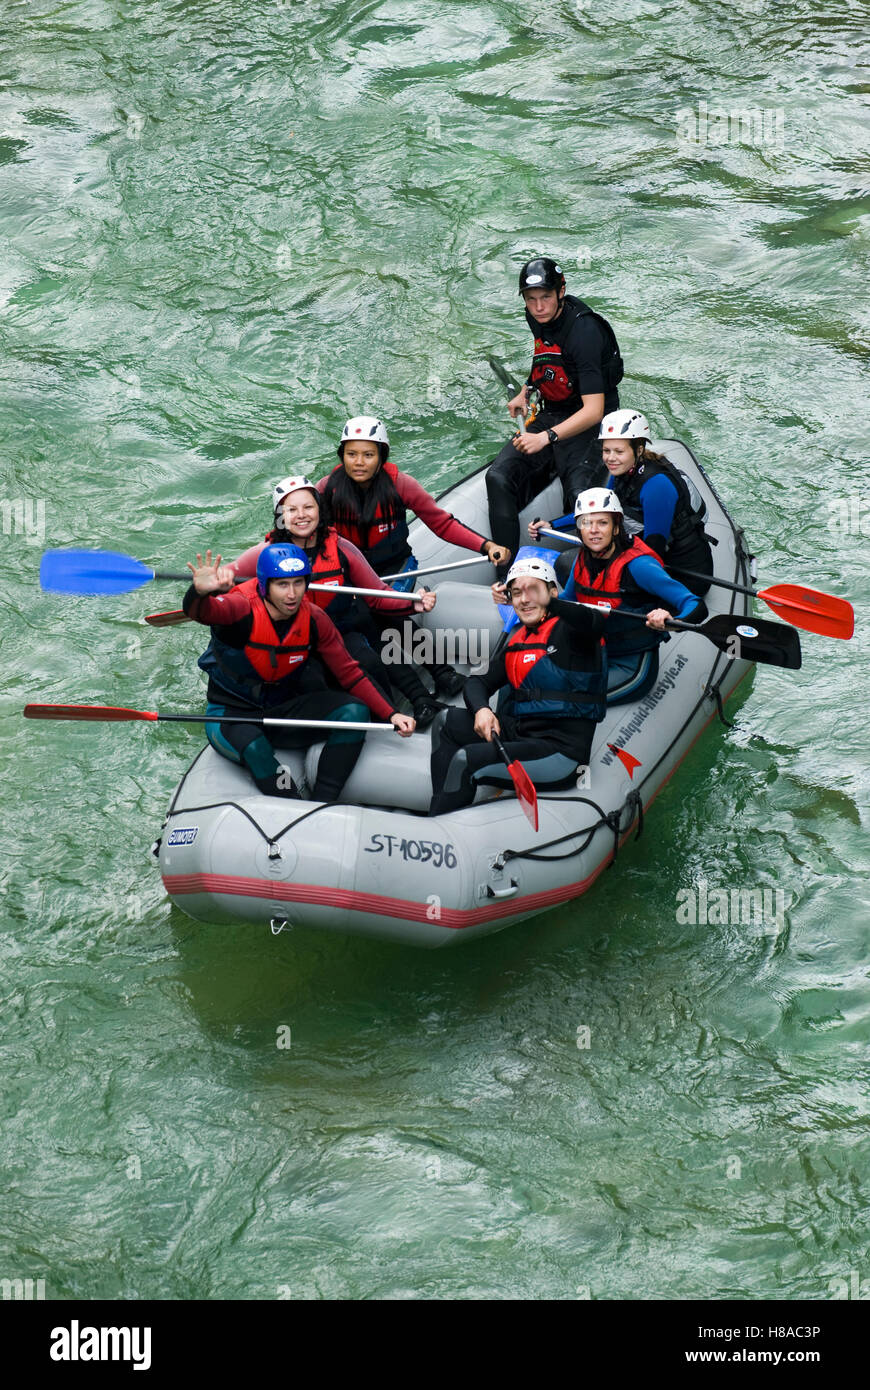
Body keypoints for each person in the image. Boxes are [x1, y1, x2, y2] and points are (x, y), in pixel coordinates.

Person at [183, 543, 415, 801]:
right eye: (282, 585)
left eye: (298, 583)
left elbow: (350, 673)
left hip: (284, 708)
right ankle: (292, 805)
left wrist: (391, 713)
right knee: (255, 747)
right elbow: (202, 612)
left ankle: (323, 801)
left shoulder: (315, 619)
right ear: (264, 585)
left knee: (355, 711)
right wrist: (199, 593)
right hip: (232, 714)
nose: (292, 594)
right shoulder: (240, 609)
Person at [319, 416, 510, 696]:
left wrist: (485, 546)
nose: (359, 462)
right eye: (352, 454)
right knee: (371, 613)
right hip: (353, 577)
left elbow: (441, 523)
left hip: (398, 570)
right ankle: (437, 675)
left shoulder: (401, 485)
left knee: (379, 610)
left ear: (382, 457)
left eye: (368, 455)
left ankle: (424, 685)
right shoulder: (327, 489)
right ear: (342, 456)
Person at [231, 476, 443, 727]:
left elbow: (378, 594)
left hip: (339, 630)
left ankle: (391, 714)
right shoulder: (263, 553)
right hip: (296, 638)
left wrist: (411, 603)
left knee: (369, 660)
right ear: (281, 516)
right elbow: (229, 578)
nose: (301, 515)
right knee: (312, 680)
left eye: (308, 507)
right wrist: (213, 590)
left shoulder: (342, 547)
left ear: (320, 511)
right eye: (291, 510)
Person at [429, 556, 608, 816]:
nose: (524, 599)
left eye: (533, 590)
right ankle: (445, 800)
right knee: (446, 721)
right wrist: (482, 710)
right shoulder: (519, 641)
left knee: (464, 761)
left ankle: (440, 822)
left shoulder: (572, 632)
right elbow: (478, 682)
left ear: (553, 593)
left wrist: (552, 604)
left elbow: (593, 622)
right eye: (516, 593)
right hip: (520, 735)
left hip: (560, 754)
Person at [485, 257, 624, 577]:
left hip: (590, 422)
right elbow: (546, 354)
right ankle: (506, 574)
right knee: (498, 478)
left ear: (562, 291)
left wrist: (544, 438)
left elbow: (595, 410)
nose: (538, 307)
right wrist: (527, 389)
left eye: (545, 297)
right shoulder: (537, 316)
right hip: (553, 412)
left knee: (579, 500)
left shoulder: (584, 333)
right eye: (530, 300)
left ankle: (587, 577)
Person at [558, 488, 707, 704]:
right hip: (596, 652)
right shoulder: (584, 558)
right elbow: (567, 600)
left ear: (616, 527)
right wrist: (528, 596)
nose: (593, 530)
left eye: (602, 523)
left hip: (631, 666)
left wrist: (672, 622)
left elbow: (695, 604)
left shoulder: (638, 566)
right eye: (586, 523)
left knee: (559, 699)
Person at [595, 409, 713, 591]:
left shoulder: (656, 486)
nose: (610, 458)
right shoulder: (620, 472)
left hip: (682, 574)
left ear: (639, 450)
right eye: (606, 450)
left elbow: (653, 551)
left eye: (619, 451)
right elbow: (599, 509)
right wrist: (552, 525)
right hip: (651, 558)